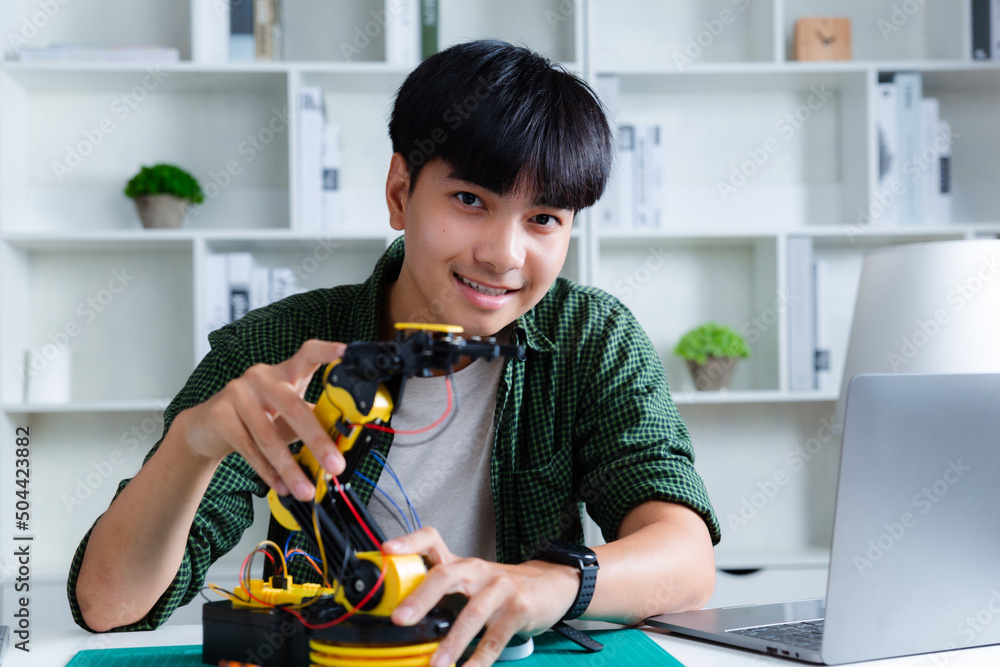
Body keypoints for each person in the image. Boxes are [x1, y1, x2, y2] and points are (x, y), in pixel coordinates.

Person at [69, 39, 720, 667]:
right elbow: (109, 604)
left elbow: (687, 565)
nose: (503, 254)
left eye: (544, 218)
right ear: (400, 191)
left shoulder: (592, 336)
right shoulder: (279, 348)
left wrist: (545, 585)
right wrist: (192, 443)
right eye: (470, 200)